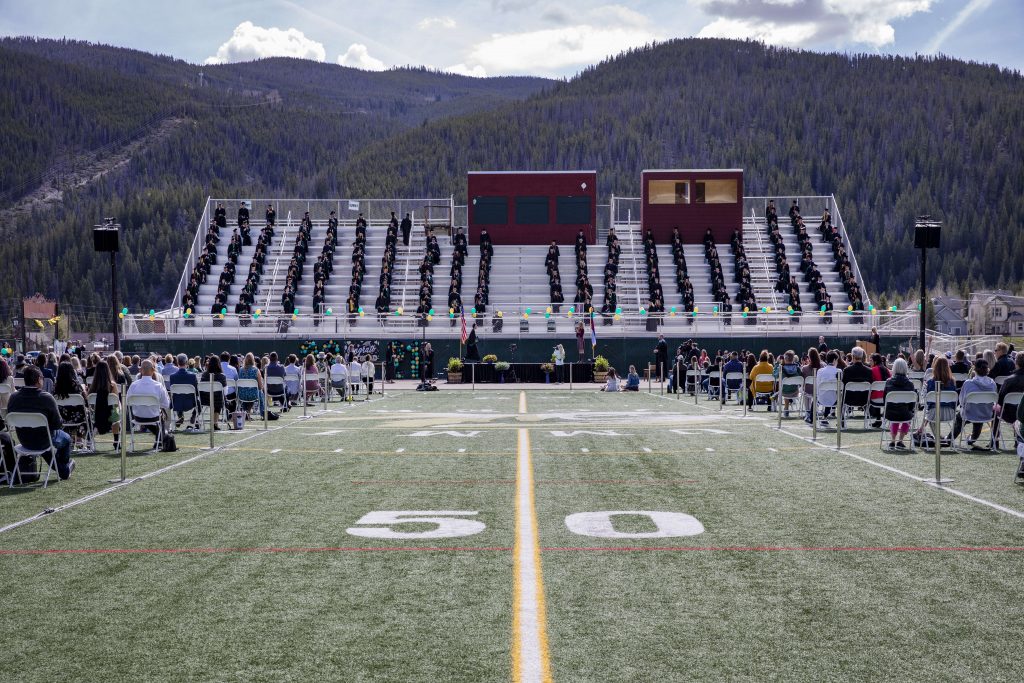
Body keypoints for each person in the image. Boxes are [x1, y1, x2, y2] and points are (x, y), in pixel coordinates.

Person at [6, 366, 75, 481]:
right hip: (44, 440)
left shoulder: (13, 397)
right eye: (42, 378)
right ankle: (63, 469)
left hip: (24, 440)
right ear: (38, 379)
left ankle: (63, 469)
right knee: (66, 439)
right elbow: (58, 424)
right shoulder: (46, 398)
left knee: (45, 442)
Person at [125, 360, 170, 449]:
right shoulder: (158, 385)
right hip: (154, 417)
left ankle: (160, 438)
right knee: (161, 414)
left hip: (137, 417)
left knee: (156, 414)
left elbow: (127, 402)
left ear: (140, 370)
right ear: (153, 370)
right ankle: (160, 440)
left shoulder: (134, 385)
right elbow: (166, 404)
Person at [952, 358, 995, 449]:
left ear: (974, 369)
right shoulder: (992, 383)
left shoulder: (968, 383)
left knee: (960, 417)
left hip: (969, 413)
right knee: (979, 415)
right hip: (986, 414)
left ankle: (950, 438)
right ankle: (972, 439)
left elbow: (962, 401)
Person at [916, 356, 957, 446]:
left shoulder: (930, 382)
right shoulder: (953, 381)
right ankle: (940, 437)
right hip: (950, 413)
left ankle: (938, 438)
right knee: (931, 414)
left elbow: (927, 400)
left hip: (934, 413)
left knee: (930, 416)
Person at [52, 361, 88, 450]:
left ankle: (70, 438)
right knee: (83, 411)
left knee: (65, 411)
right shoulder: (76, 384)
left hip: (62, 418)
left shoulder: (56, 386)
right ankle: (79, 436)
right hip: (79, 418)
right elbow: (85, 401)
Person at [883, 359, 917, 450]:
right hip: (905, 414)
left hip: (890, 413)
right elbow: (912, 403)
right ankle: (900, 440)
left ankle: (893, 440)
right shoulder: (910, 384)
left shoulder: (888, 382)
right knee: (907, 412)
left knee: (895, 410)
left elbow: (885, 400)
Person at [840, 346, 874, 424]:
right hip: (864, 399)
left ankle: (841, 420)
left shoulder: (847, 370)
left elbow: (843, 384)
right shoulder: (869, 371)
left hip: (848, 399)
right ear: (862, 356)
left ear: (853, 356)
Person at [168, 354, 199, 429]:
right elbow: (197, 392)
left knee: (178, 396)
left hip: (176, 404)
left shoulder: (172, 377)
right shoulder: (193, 376)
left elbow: (173, 393)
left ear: (177, 363)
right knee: (199, 402)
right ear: (187, 363)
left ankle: (180, 416)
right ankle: (193, 416)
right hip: (190, 403)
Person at [199, 356, 227, 429]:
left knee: (218, 399)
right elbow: (225, 392)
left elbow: (201, 387)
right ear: (219, 364)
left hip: (205, 400)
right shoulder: (222, 376)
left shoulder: (204, 374)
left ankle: (197, 420)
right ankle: (215, 423)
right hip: (217, 401)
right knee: (220, 400)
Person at [815, 351, 840, 427]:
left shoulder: (820, 371)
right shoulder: (839, 371)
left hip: (821, 399)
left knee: (827, 392)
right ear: (834, 360)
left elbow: (817, 385)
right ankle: (840, 421)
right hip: (835, 400)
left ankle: (811, 418)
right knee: (834, 393)